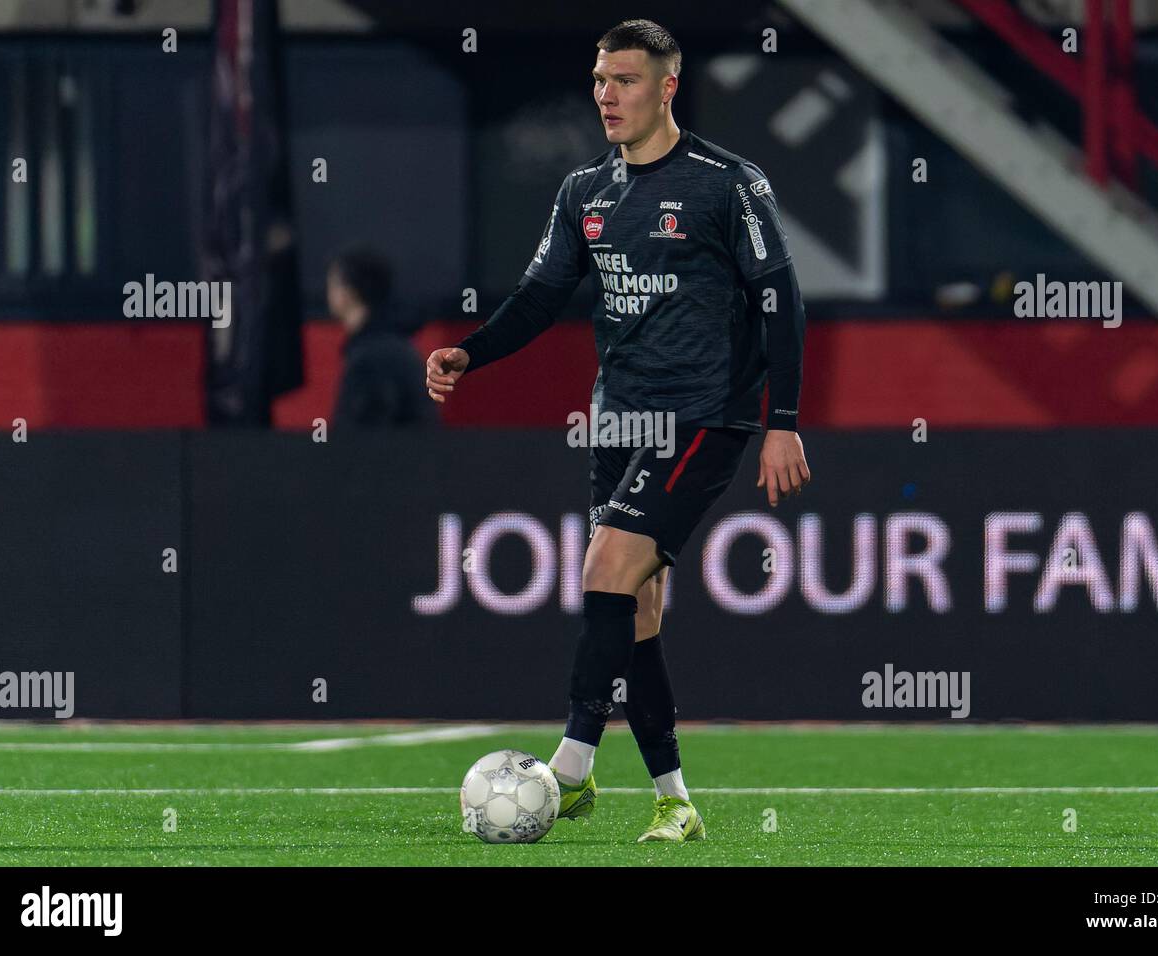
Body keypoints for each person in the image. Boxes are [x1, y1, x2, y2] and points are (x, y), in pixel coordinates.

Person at [424, 19, 810, 842]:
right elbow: (539, 299)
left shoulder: (726, 183)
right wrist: (470, 352)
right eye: (599, 79)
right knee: (634, 615)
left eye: (624, 80)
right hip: (618, 420)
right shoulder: (584, 193)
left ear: (667, 88)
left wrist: (783, 421)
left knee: (605, 567)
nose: (606, 94)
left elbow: (781, 298)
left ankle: (567, 770)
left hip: (707, 416)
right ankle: (676, 800)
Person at [328, 248, 436, 428]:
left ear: (348, 292)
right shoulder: (395, 345)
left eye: (332, 284)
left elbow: (361, 439)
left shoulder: (370, 359)